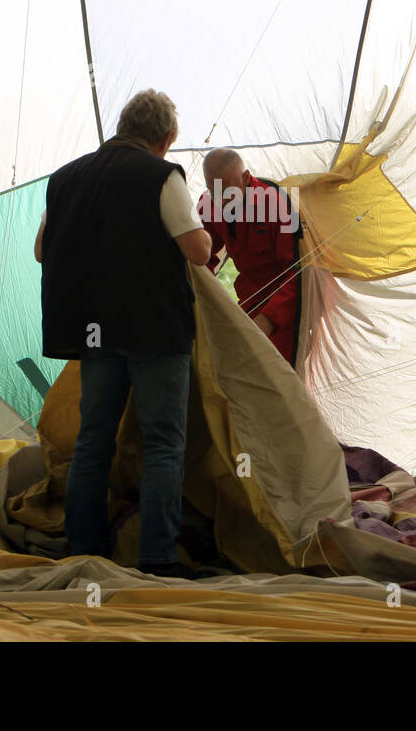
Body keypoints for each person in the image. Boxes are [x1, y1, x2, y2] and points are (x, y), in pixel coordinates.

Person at [35, 89, 211, 576]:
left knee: (94, 438)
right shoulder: (161, 175)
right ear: (167, 138)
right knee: (162, 443)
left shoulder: (66, 178)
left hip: (93, 333)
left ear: (121, 125)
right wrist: (209, 235)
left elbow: (40, 250)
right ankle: (158, 558)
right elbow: (197, 251)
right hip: (153, 330)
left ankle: (82, 550)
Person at [198, 147, 301, 365]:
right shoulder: (209, 204)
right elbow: (202, 258)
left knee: (279, 377)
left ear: (245, 178)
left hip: (283, 309)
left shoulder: (276, 205)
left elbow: (296, 272)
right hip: (247, 301)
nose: (222, 202)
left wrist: (268, 319)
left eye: (227, 193)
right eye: (213, 192)